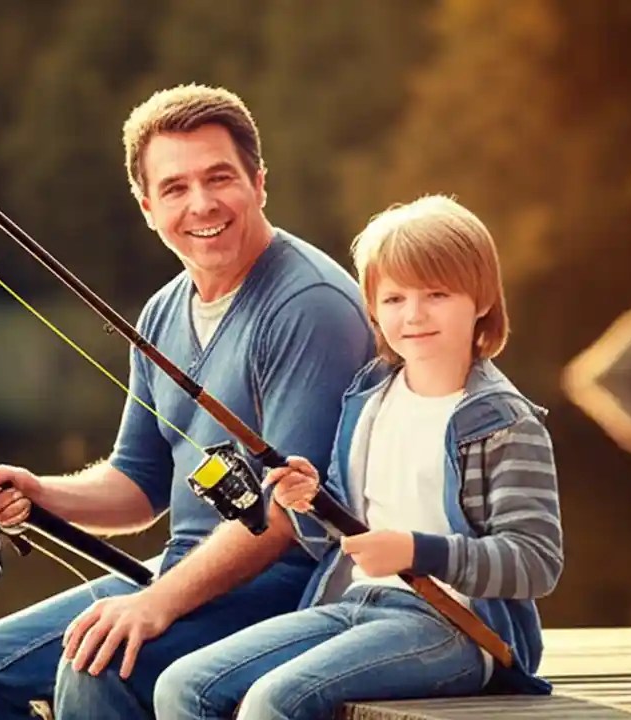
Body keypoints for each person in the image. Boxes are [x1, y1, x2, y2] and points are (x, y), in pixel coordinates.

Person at [0, 84, 375, 719]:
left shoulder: (310, 306)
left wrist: (158, 602)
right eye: (174, 188)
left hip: (289, 590)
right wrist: (39, 491)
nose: (201, 204)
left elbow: (284, 521)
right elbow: (139, 486)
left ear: (259, 182)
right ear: (146, 205)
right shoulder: (163, 310)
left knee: (99, 669)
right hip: (179, 572)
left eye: (219, 177)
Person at [152, 195, 566, 720]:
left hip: (456, 629)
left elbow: (536, 562)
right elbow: (343, 530)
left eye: (436, 294)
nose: (413, 315)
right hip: (349, 605)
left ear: (481, 299)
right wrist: (312, 501)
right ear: (372, 307)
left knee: (274, 702)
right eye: (394, 299)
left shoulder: (503, 422)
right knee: (182, 687)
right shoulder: (368, 397)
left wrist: (417, 551)